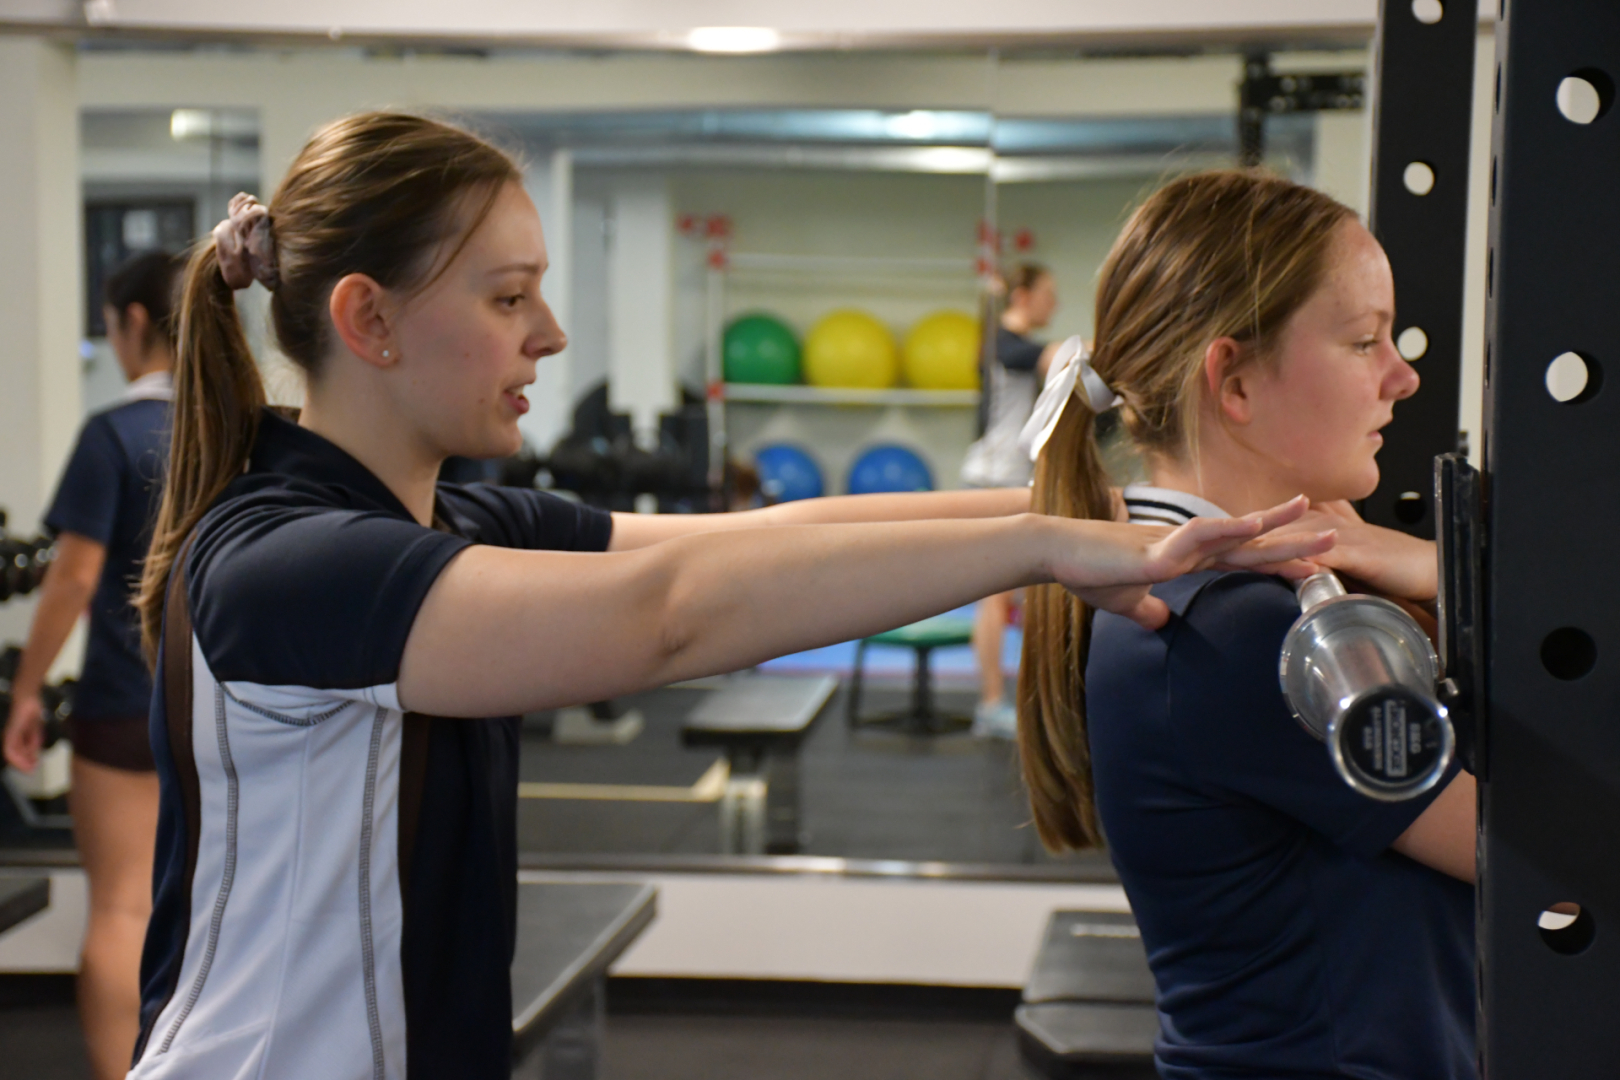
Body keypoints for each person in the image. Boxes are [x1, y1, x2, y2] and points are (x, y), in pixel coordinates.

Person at [123, 114, 1329, 1080]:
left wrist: (1105, 518)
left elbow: (765, 537)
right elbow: (672, 616)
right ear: (367, 319)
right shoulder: (281, 564)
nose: (549, 333)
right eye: (506, 298)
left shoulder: (453, 522)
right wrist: (1043, 553)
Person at [1018, 170, 1475, 1078]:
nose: (1403, 375)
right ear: (1232, 382)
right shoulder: (1236, 636)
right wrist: (1453, 574)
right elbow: (1552, 848)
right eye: (1363, 341)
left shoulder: (1214, 598)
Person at [3, 251, 183, 1080]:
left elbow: (73, 578)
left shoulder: (114, 433)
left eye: (110, 327)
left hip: (125, 708)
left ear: (136, 323)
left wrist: (27, 693)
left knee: (120, 907)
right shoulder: (257, 431)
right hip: (235, 713)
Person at [961, 263, 1066, 738]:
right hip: (993, 481)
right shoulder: (1007, 342)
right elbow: (1055, 358)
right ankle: (989, 704)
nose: (1054, 303)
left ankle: (1030, 700)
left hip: (1011, 479)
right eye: (1047, 293)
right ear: (1022, 296)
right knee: (996, 599)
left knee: (1030, 597)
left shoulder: (1007, 343)